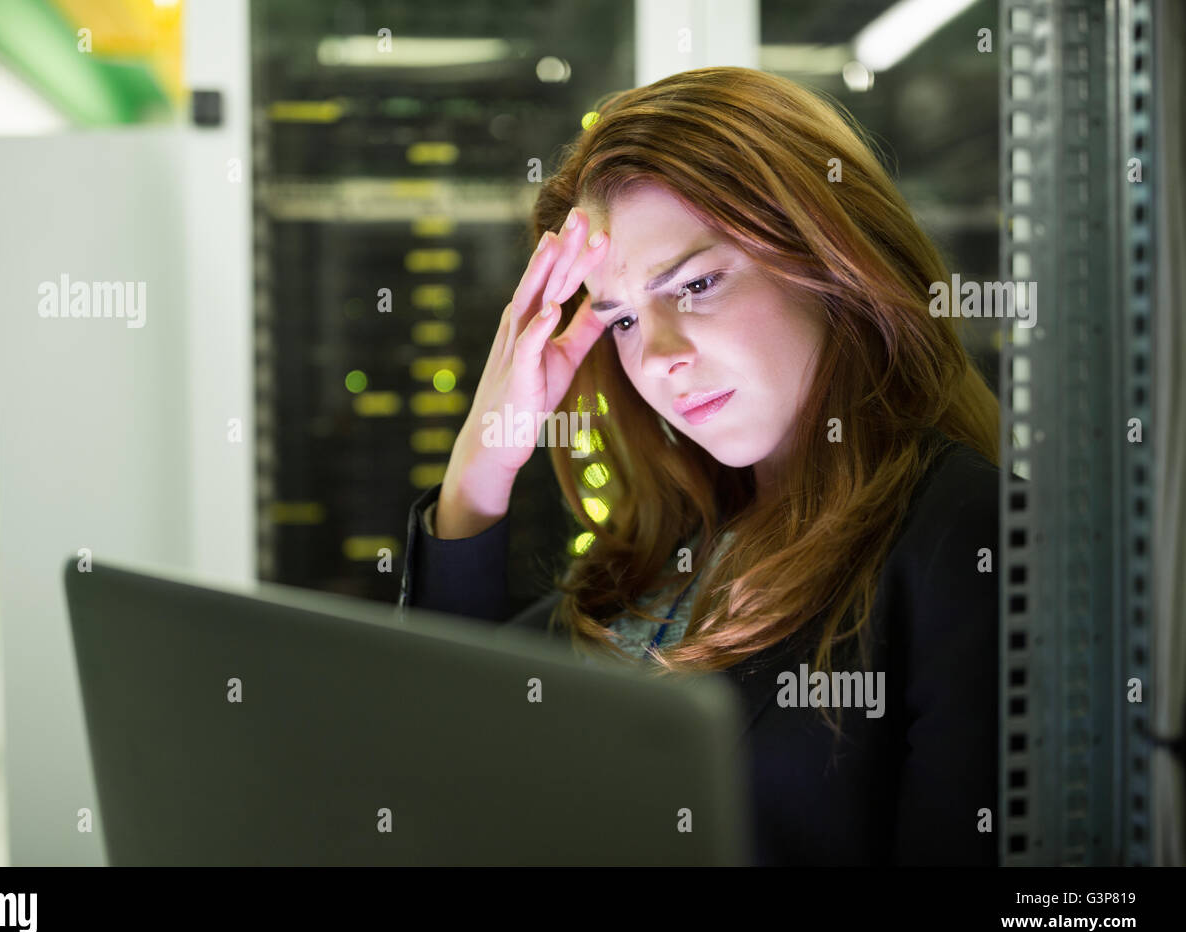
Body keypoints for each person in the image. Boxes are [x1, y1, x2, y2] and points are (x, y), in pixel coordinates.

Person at [397, 66, 1001, 866]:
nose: (660, 360)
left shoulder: (967, 537)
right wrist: (479, 473)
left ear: (832, 255)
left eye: (697, 284)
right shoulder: (673, 546)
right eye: (620, 321)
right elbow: (439, 760)